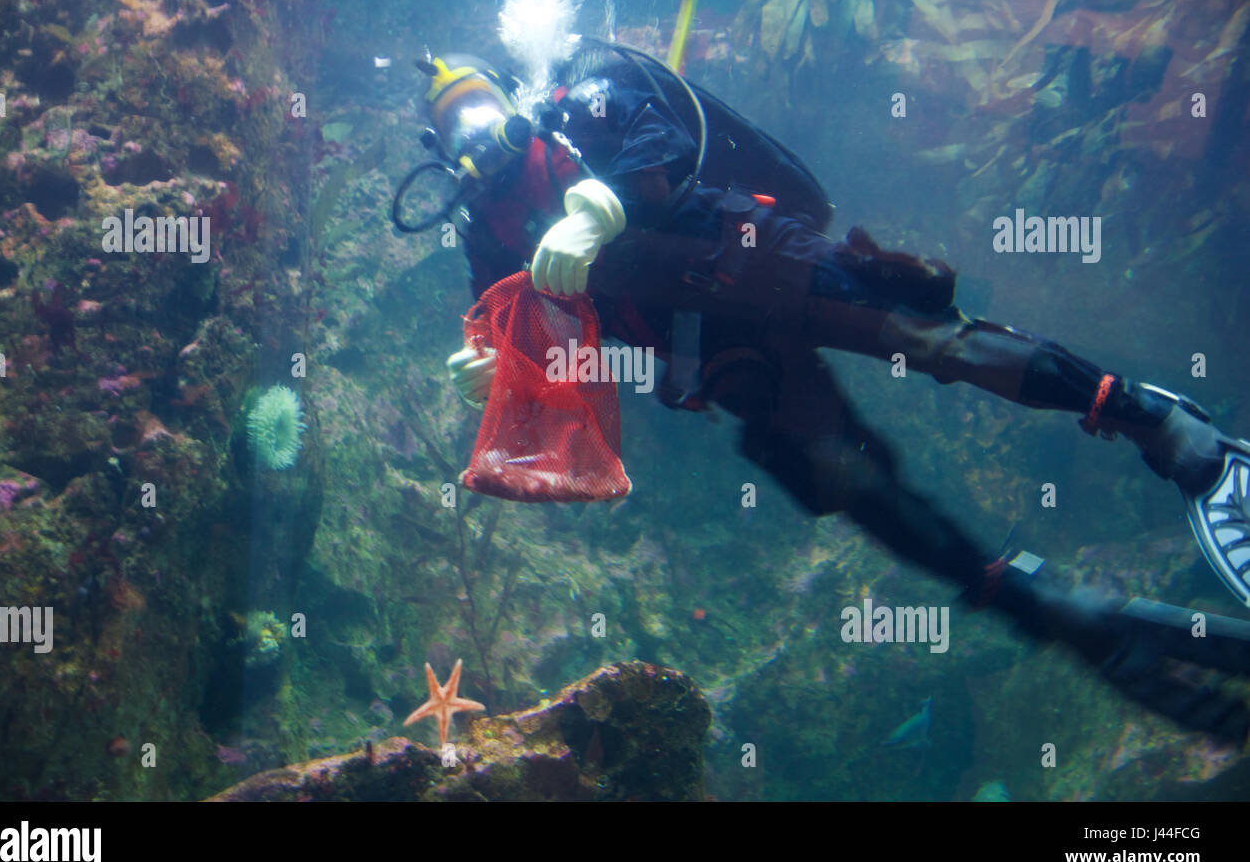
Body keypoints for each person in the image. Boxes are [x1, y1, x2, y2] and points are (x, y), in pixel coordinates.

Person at [395, 45, 1250, 739]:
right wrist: (496, 371)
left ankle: (1164, 426)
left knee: (933, 339)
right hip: (712, 354)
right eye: (454, 127)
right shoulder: (485, 228)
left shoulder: (585, 100)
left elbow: (657, 149)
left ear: (508, 91)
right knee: (848, 484)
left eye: (475, 106)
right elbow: (508, 323)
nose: (474, 134)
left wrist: (599, 208)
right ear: (442, 155)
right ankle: (1041, 602)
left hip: (760, 260)